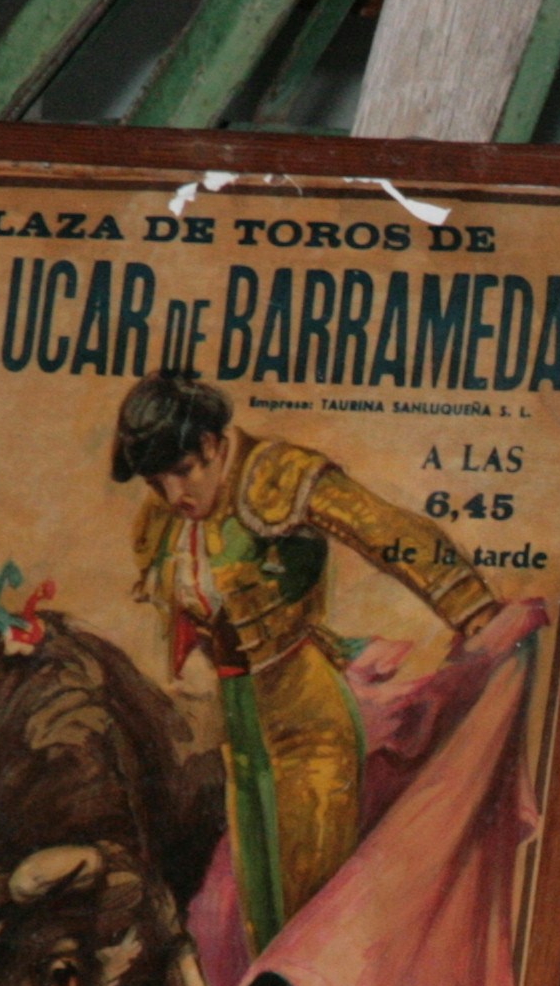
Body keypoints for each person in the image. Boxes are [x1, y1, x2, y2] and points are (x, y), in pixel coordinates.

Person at [110, 369, 503, 950]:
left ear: (213, 445)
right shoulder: (164, 521)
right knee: (262, 918)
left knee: (311, 921)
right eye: (156, 481)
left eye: (184, 471)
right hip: (241, 731)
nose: (174, 496)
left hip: (305, 717)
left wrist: (474, 610)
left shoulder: (278, 474)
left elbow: (383, 529)